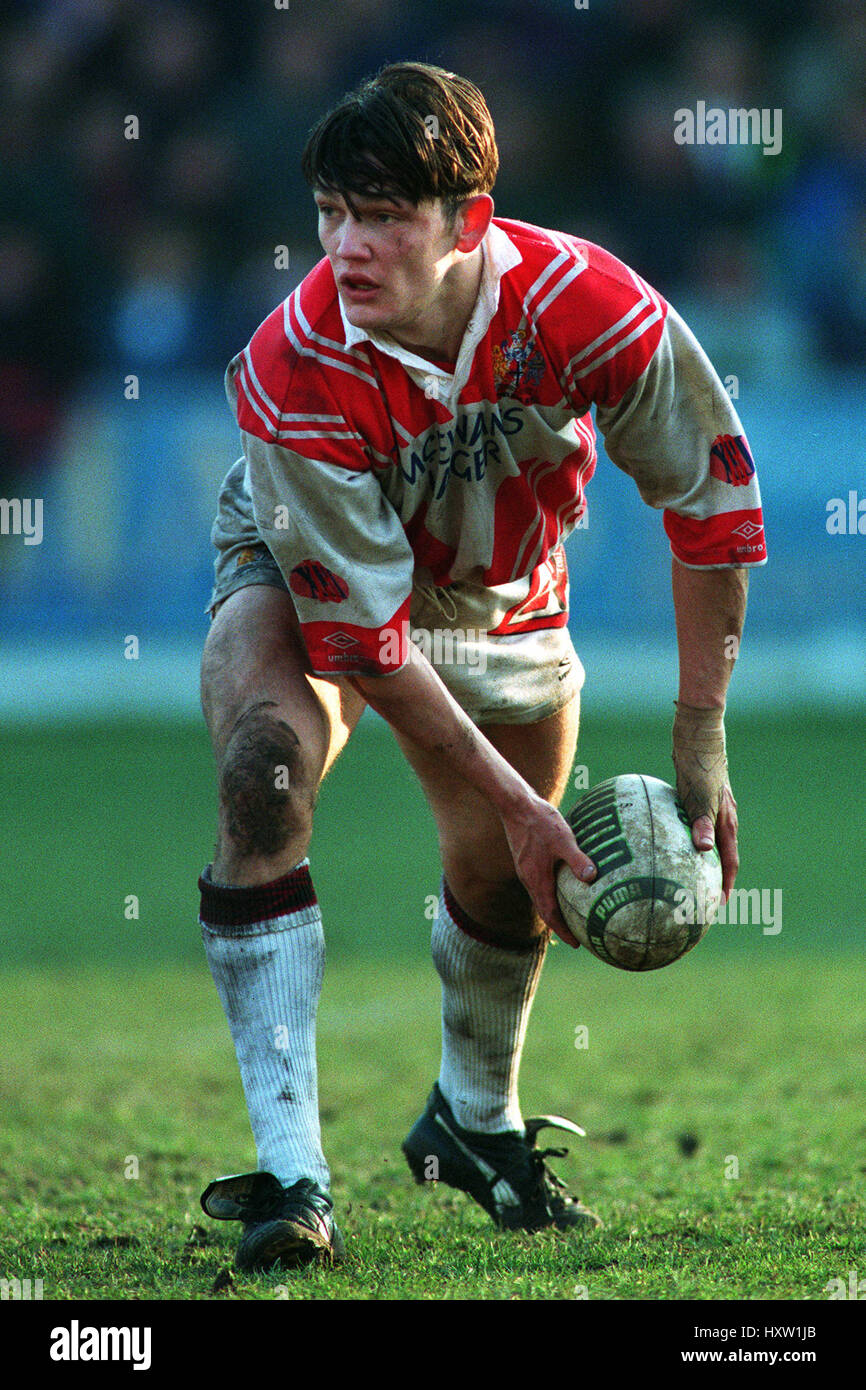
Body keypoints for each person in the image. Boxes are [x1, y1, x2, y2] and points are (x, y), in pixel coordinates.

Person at [196, 62, 766, 1271]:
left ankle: (473, 1122)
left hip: (501, 586)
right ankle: (292, 1178)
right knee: (264, 775)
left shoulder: (588, 304)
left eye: (383, 217)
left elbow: (710, 500)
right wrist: (523, 805)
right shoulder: (293, 365)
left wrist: (699, 737)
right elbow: (361, 641)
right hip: (309, 576)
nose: (346, 247)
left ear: (468, 222)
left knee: (503, 887)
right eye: (330, 213)